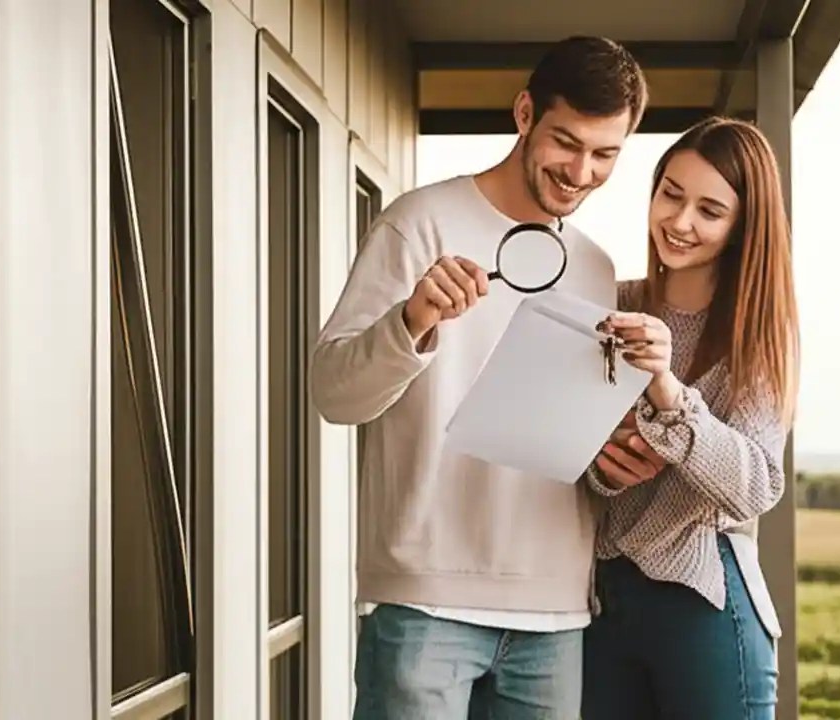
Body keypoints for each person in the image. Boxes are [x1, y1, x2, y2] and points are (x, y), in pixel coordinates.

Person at [309, 36, 648, 720]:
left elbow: (569, 441)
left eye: (605, 154)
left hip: (554, 615)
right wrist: (411, 321)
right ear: (524, 113)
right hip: (424, 603)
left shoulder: (596, 268)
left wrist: (616, 463)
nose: (581, 171)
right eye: (566, 142)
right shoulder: (418, 224)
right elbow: (333, 394)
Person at [582, 116, 799, 720]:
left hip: (706, 599)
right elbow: (569, 452)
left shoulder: (758, 335)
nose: (679, 222)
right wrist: (606, 469)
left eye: (710, 210)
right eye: (671, 194)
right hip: (602, 601)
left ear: (742, 226)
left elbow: (756, 485)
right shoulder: (611, 304)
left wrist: (667, 387)